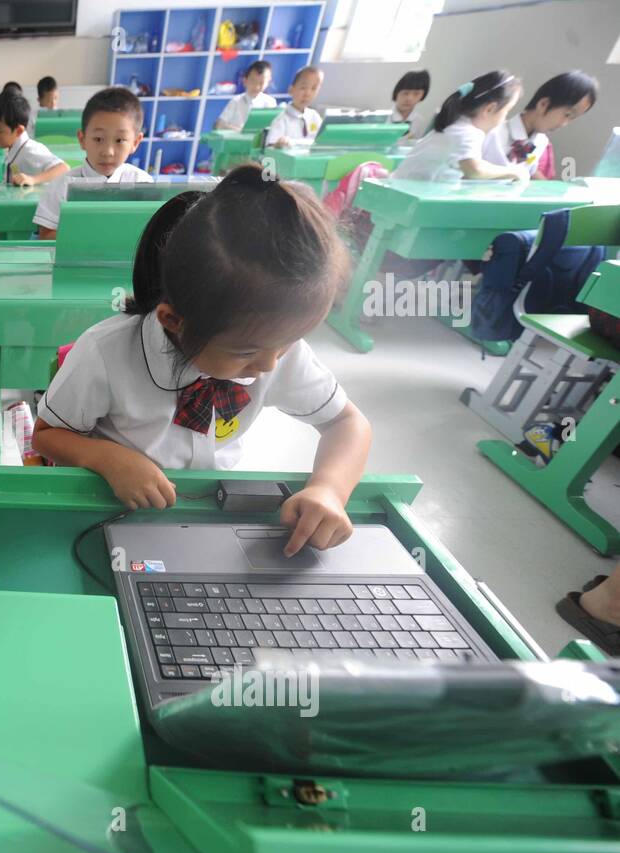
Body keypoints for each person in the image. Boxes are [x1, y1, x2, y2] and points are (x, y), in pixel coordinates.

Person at [32, 165, 371, 556]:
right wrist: (108, 458)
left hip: (211, 511)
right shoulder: (106, 352)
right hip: (111, 506)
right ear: (173, 321)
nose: (270, 366)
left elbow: (348, 423)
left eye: (289, 343)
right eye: (246, 352)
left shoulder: (274, 346)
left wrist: (329, 489)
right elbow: (46, 435)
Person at [32, 86, 153, 239]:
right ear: (82, 139)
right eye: (98, 139)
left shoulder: (144, 184)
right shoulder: (61, 185)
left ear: (135, 142)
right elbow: (46, 234)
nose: (108, 151)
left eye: (119, 140)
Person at [392, 71, 525, 182]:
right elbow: (475, 169)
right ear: (490, 109)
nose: (505, 117)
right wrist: (513, 172)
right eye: (506, 111)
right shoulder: (467, 132)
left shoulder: (456, 125)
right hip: (402, 201)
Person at [483, 71, 598, 178]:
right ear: (543, 104)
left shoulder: (541, 142)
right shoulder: (492, 133)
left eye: (573, 118)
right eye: (567, 114)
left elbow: (531, 173)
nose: (564, 124)